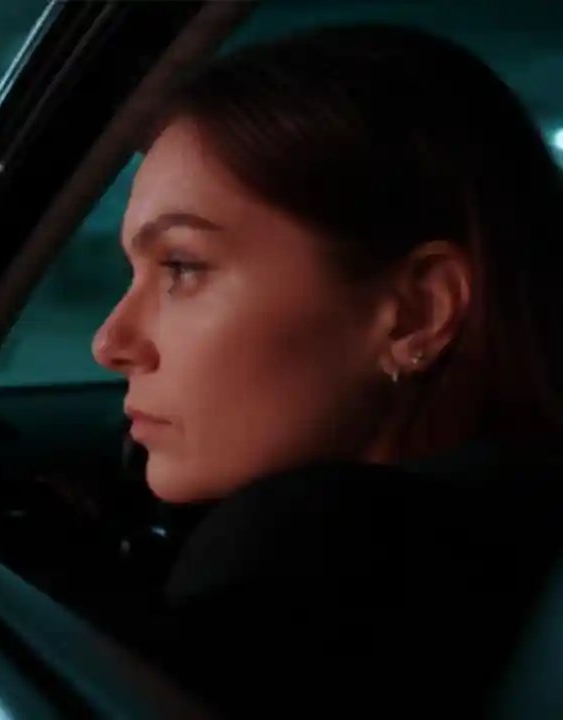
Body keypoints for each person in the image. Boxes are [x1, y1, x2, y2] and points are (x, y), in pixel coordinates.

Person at [90, 23, 563, 718]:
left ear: (416, 313)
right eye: (137, 271)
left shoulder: (300, 560)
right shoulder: (517, 533)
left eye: (183, 267)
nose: (111, 342)